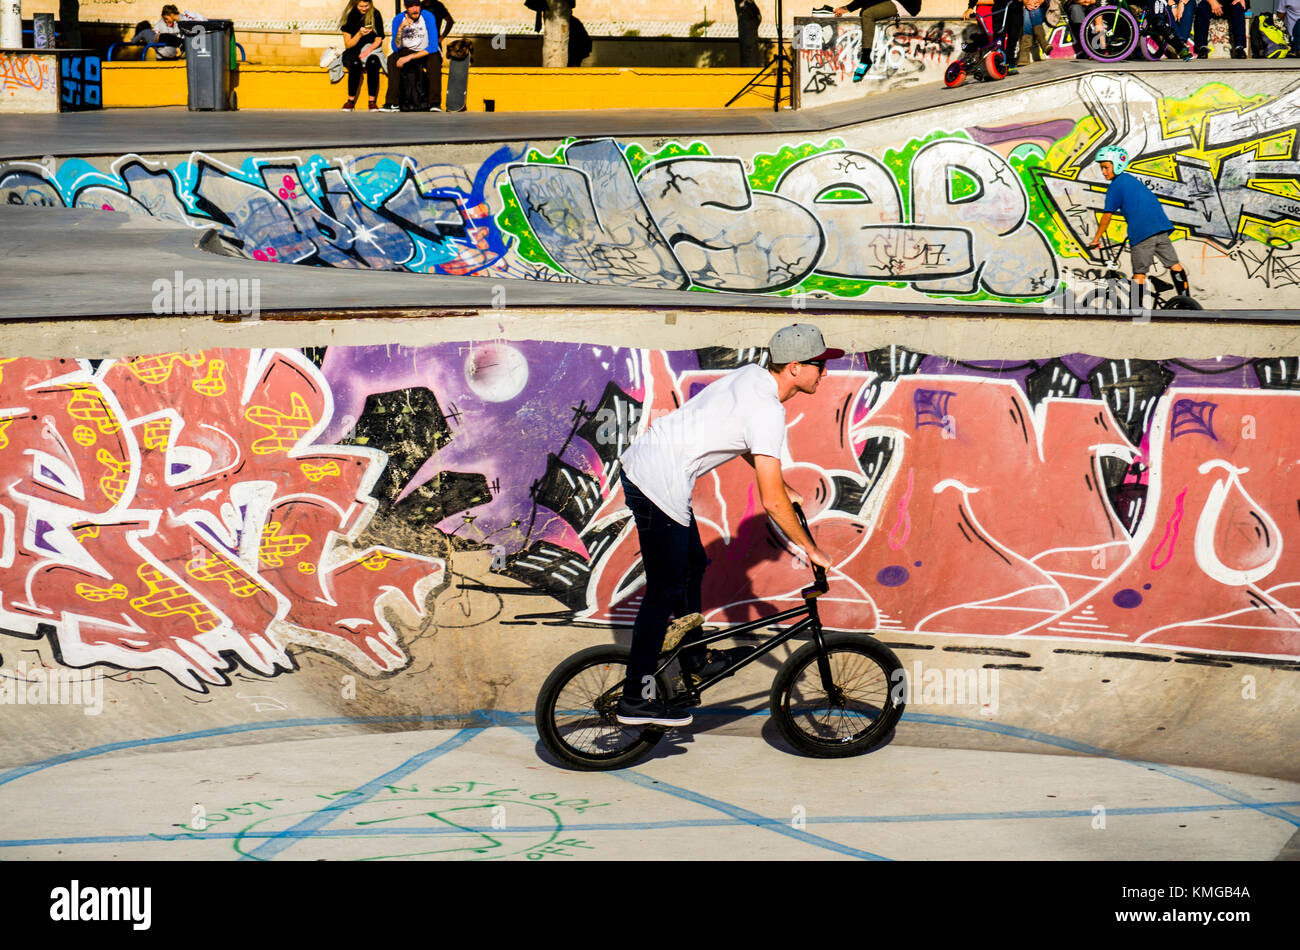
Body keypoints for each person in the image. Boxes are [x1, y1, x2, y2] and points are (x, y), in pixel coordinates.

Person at [614, 324, 840, 728]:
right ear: (793, 368)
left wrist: (784, 486)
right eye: (818, 365)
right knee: (665, 588)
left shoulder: (752, 377)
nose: (825, 372)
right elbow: (770, 501)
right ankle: (634, 697)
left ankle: (695, 659)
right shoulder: (769, 409)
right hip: (657, 482)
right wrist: (810, 548)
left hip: (651, 470)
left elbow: (744, 445)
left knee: (693, 566)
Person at [1087, 145, 1190, 306]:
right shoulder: (1132, 180)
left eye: (1106, 167)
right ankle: (1186, 302)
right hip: (1160, 227)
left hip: (1142, 231)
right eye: (1102, 168)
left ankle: (1136, 309)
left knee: (1139, 273)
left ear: (1117, 164)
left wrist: (1096, 239)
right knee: (1174, 265)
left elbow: (1107, 215)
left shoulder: (1115, 186)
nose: (1104, 172)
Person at [381, 0, 453, 111]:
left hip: (426, 51)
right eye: (411, 6)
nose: (415, 9)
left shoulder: (428, 16)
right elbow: (396, 48)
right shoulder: (398, 19)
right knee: (392, 59)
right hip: (407, 50)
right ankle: (392, 102)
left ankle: (434, 103)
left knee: (435, 60)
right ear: (405, 7)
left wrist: (409, 57)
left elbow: (433, 46)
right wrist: (400, 29)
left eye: (417, 5)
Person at [833, 0, 924, 82]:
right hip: (898, 2)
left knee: (867, 14)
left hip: (905, 4)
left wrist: (848, 8)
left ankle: (865, 58)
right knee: (865, 11)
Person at [338, 0, 386, 110]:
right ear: (355, 4)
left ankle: (372, 101)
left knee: (373, 61)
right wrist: (359, 34)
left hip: (370, 50)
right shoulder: (350, 16)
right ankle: (350, 101)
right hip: (353, 52)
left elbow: (378, 39)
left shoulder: (375, 14)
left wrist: (367, 51)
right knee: (355, 63)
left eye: (366, 6)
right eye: (361, 6)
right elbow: (348, 45)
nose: (364, 9)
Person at [964, 0, 1024, 73]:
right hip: (998, 9)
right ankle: (995, 63)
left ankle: (1011, 62)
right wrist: (970, 7)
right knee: (998, 38)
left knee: (1013, 36)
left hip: (1014, 9)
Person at [127, 5, 204, 59]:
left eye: (166, 19)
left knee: (169, 37)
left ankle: (182, 44)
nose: (165, 21)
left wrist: (138, 41)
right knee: (170, 38)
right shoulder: (146, 31)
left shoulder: (143, 33)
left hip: (157, 38)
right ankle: (183, 44)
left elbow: (133, 41)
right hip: (158, 38)